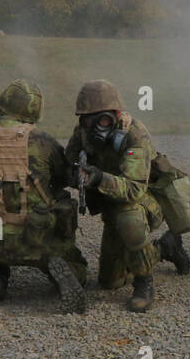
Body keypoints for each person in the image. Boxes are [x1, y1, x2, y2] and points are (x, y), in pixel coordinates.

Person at [0, 79, 87, 313]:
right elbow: (63, 179)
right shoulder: (44, 141)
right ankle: (54, 264)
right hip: (37, 236)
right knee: (79, 272)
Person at [65, 80, 183, 313]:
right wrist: (74, 175)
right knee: (109, 282)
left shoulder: (134, 135)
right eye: (87, 120)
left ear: (117, 115)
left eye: (103, 119)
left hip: (142, 204)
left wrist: (98, 179)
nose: (94, 126)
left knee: (127, 216)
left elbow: (134, 190)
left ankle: (144, 282)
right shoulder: (83, 133)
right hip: (112, 206)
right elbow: (67, 164)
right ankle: (166, 248)